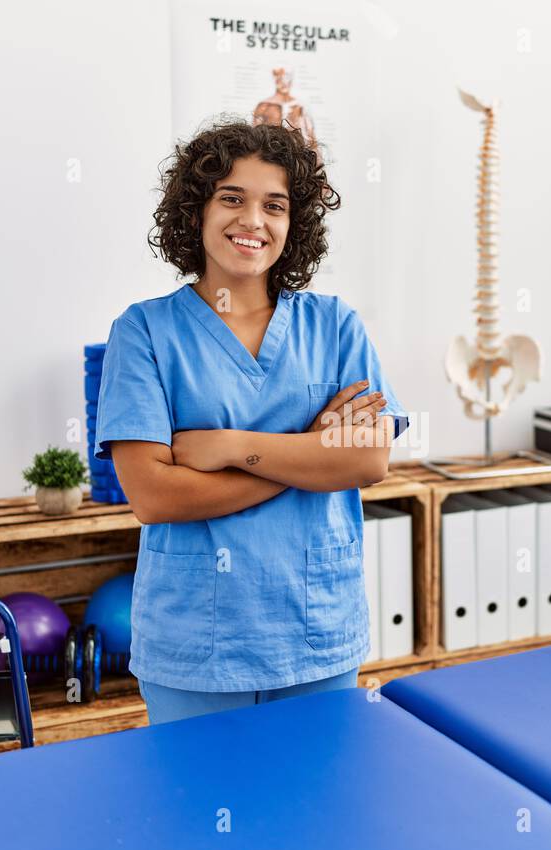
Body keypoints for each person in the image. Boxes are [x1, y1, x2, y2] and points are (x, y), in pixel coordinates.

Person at [93, 119, 408, 725]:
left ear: (296, 225)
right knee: (198, 812)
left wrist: (230, 446)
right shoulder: (145, 333)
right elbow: (155, 496)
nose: (252, 220)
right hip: (197, 646)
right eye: (231, 198)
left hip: (315, 635)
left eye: (275, 205)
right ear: (196, 212)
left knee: (314, 813)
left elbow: (367, 462)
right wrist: (311, 453)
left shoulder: (336, 326)